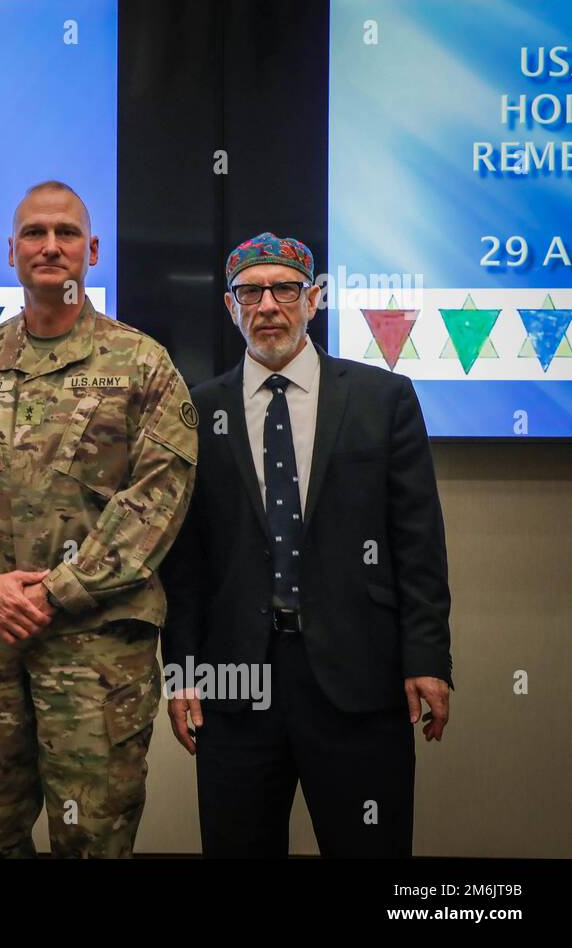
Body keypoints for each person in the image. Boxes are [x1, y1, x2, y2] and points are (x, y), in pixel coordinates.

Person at [0, 181, 197, 858]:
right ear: (11, 251)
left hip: (95, 654)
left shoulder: (143, 365)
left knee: (93, 840)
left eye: (65, 234)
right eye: (34, 233)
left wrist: (56, 592)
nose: (50, 246)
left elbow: (158, 501)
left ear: (91, 250)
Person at [161, 232, 453, 857]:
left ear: (314, 299)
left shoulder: (383, 399)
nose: (268, 305)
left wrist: (427, 656)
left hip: (360, 674)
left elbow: (419, 541)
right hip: (234, 681)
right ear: (229, 306)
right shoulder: (196, 410)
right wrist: (182, 670)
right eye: (250, 292)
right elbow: (183, 559)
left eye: (285, 289)